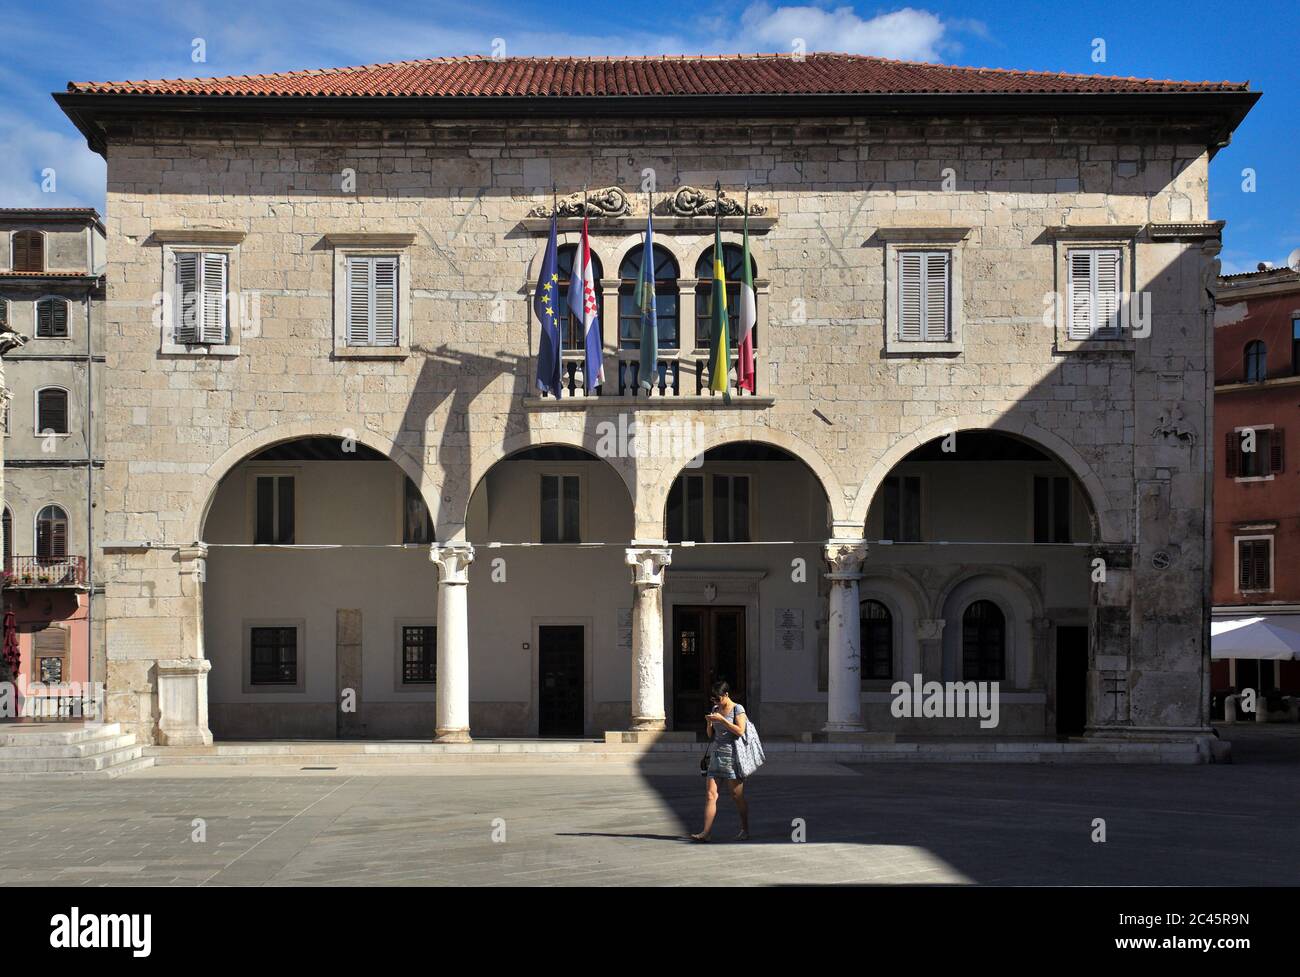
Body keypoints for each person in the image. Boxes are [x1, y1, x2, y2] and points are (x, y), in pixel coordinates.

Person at [690, 680, 750, 842]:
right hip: (716, 755)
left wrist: (723, 720)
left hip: (733, 757)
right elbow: (711, 735)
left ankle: (745, 829)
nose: (715, 702)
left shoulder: (738, 709)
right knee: (710, 795)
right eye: (713, 699)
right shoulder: (716, 709)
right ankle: (706, 832)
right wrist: (709, 723)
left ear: (726, 695)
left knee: (737, 796)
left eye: (718, 698)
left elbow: (740, 731)